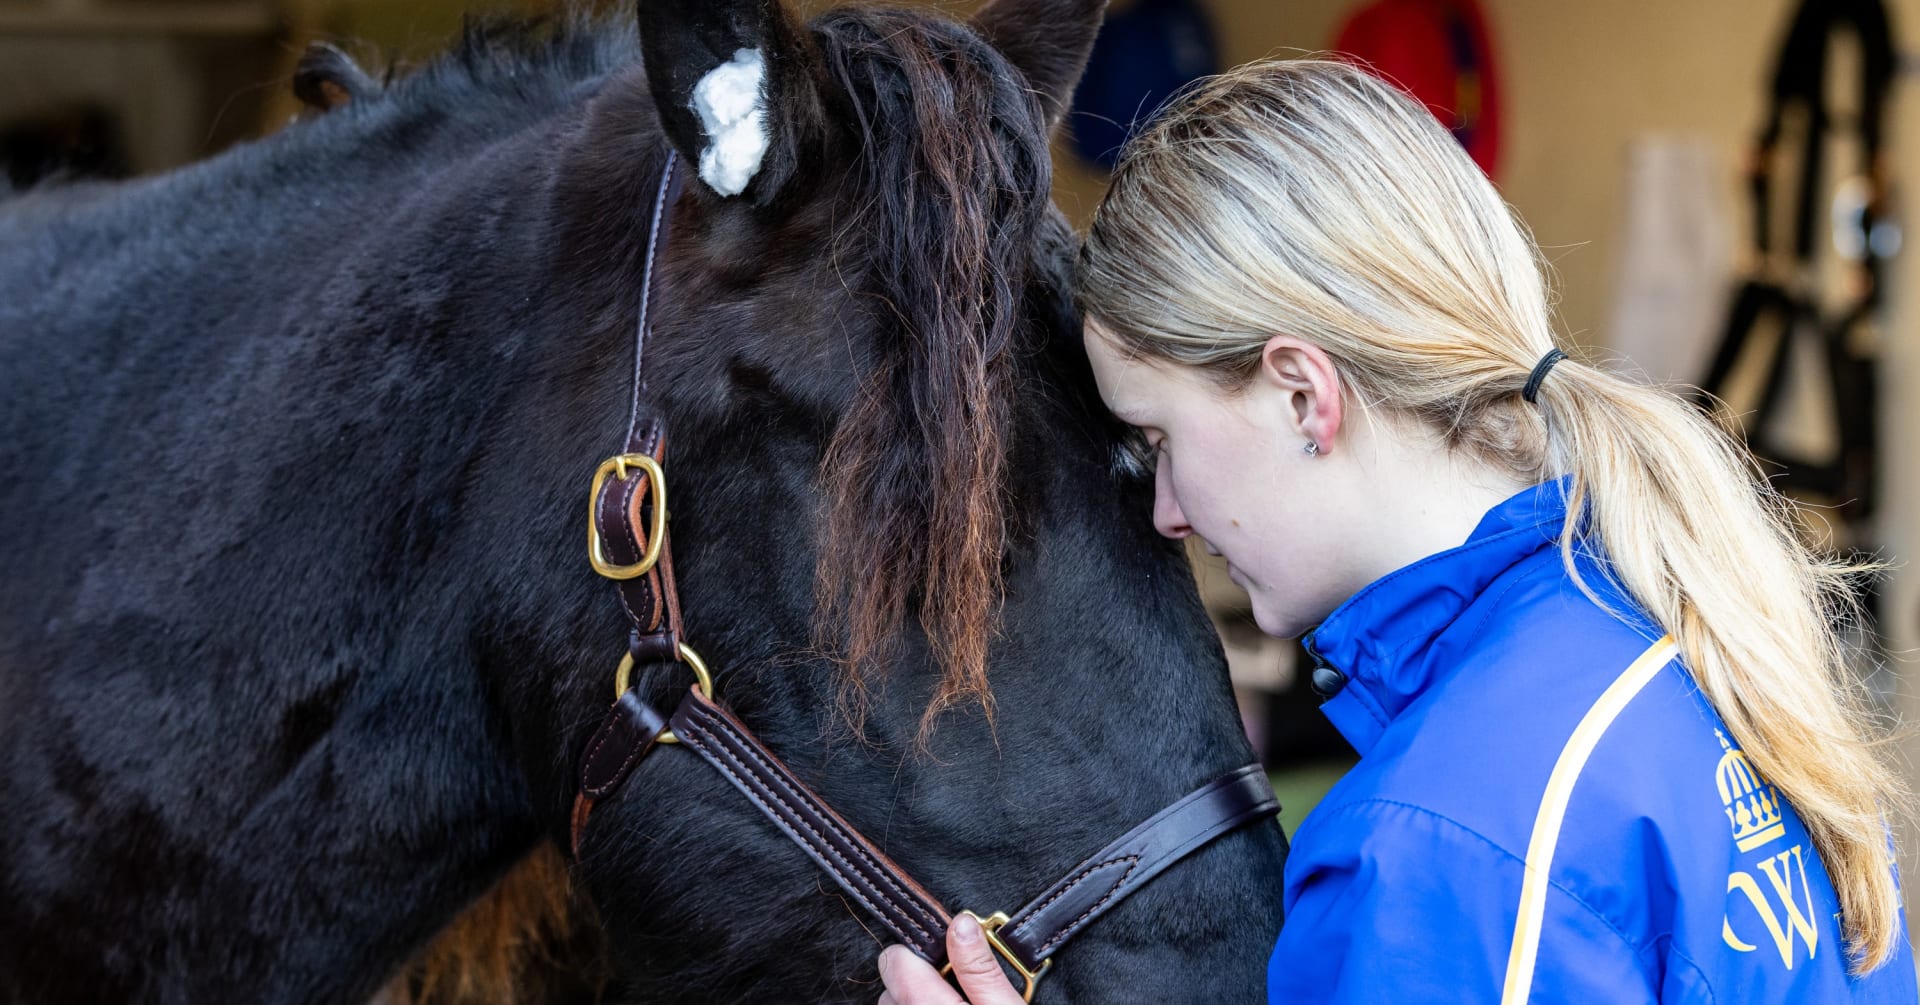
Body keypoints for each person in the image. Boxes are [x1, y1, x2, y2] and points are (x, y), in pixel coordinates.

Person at [875, 59, 1918, 1003]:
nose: (1169, 511)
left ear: (1302, 395)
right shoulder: (1682, 630)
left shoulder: (1440, 843)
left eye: (1160, 441)